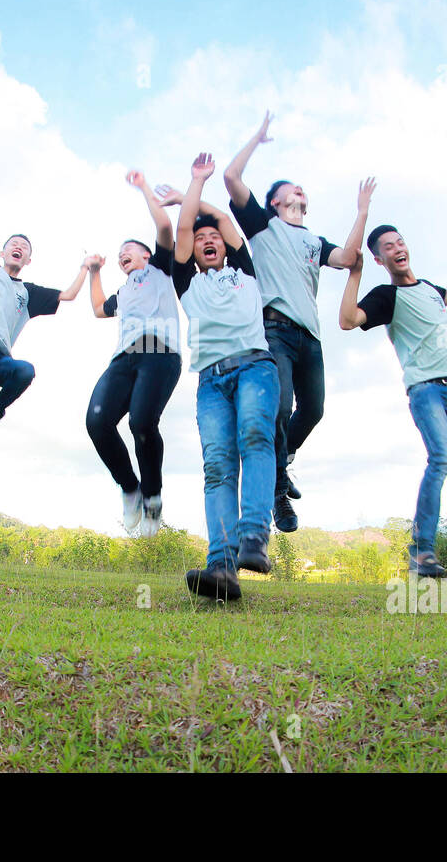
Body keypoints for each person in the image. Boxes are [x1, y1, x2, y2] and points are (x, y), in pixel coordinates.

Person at [223, 111, 369, 533]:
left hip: (311, 338)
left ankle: (278, 460)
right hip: (275, 331)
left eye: (301, 190)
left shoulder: (314, 241)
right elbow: (232, 178)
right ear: (275, 201)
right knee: (279, 406)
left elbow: (347, 258)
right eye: (290, 189)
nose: (299, 190)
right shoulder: (264, 226)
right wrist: (257, 136)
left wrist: (361, 211)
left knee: (314, 410)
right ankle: (276, 492)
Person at [339, 219, 447, 578]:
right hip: (426, 389)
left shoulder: (430, 288)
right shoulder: (386, 296)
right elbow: (348, 320)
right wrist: (355, 273)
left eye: (400, 242)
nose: (397, 249)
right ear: (380, 259)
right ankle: (421, 553)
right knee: (441, 458)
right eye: (388, 247)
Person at [174, 152, 280, 602]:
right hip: (211, 381)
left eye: (214, 235)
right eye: (201, 240)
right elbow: (181, 231)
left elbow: (224, 224)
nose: (208, 239)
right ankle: (222, 567)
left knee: (255, 436)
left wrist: (201, 195)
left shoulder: (245, 272)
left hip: (255, 365)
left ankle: (254, 537)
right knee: (217, 467)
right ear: (194, 254)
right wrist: (194, 187)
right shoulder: (187, 281)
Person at [0, 199, 98, 458]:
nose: (19, 247)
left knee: (25, 371)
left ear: (28, 260)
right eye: (14, 244)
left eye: (24, 247)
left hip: (0, 360)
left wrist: (85, 267)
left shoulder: (28, 292)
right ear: (3, 252)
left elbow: (68, 295)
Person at [85, 170, 183, 536]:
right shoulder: (124, 292)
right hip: (123, 359)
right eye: (121, 253)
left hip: (159, 353)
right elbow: (98, 308)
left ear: (145, 254)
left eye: (131, 249)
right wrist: (94, 271)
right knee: (97, 422)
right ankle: (130, 488)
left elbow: (164, 226)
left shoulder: (160, 270)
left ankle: (153, 497)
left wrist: (143, 187)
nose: (125, 254)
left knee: (141, 422)